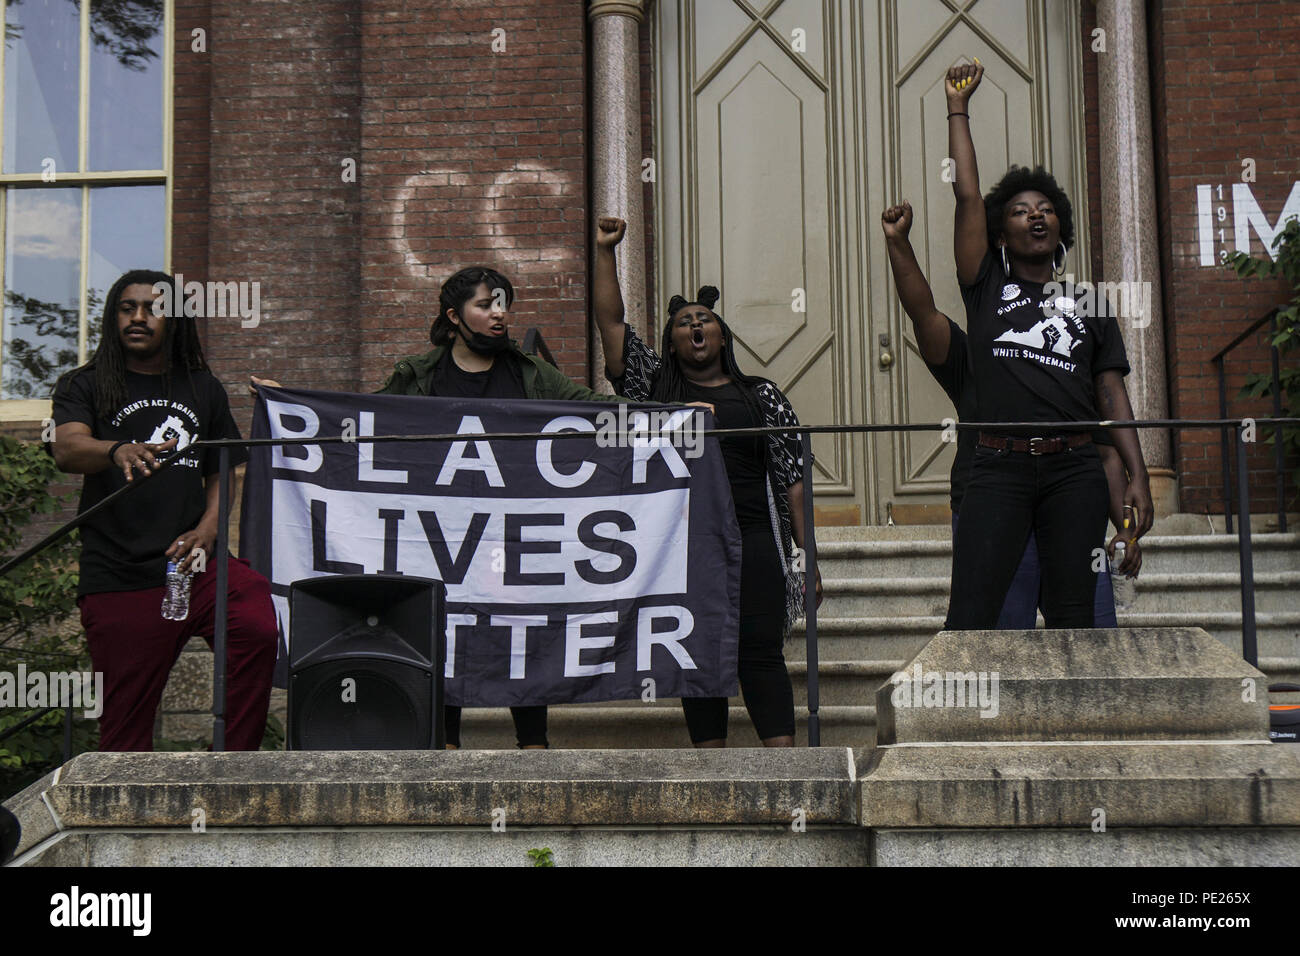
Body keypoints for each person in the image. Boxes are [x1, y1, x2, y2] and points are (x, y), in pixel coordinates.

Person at [254, 266, 647, 751]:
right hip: (439, 543)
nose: (499, 314)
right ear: (454, 316)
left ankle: (533, 746)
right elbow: (356, 424)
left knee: (517, 626)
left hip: (512, 540)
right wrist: (287, 405)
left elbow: (592, 411)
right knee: (442, 626)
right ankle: (447, 744)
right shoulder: (418, 377)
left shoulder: (531, 374)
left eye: (503, 304)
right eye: (485, 305)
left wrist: (674, 417)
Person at [592, 216, 821, 748]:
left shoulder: (761, 395)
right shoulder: (655, 389)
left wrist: (807, 557)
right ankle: (713, 772)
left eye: (705, 319)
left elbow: (792, 482)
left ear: (722, 334)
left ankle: (784, 769)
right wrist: (606, 252)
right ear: (672, 343)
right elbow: (611, 326)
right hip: (685, 542)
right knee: (697, 650)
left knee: (760, 650)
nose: (695, 326)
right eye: (683, 322)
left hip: (755, 535)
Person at [941, 61, 1153, 629]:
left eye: (1046, 209)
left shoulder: (1090, 299)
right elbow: (966, 195)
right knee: (973, 618)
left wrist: (1138, 474)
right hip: (996, 467)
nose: (1036, 215)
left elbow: (1111, 394)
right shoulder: (986, 287)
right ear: (1000, 232)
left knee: (1073, 616)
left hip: (1076, 470)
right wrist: (957, 108)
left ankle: (1072, 721)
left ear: (1059, 228)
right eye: (1019, 210)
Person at [880, 200, 1143, 626]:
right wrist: (898, 244)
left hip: (1070, 502)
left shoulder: (1068, 367)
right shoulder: (971, 357)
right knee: (998, 643)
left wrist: (1126, 527)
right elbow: (922, 311)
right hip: (994, 504)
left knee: (1088, 640)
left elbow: (1106, 449)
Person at [50, 270, 277, 752]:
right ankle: (120, 818)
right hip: (119, 574)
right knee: (125, 733)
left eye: (152, 309)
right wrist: (116, 450)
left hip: (194, 563)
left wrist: (211, 527)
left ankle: (234, 765)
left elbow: (223, 466)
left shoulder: (202, 388)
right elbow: (68, 449)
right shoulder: (84, 384)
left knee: (254, 613)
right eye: (126, 308)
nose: (138, 317)